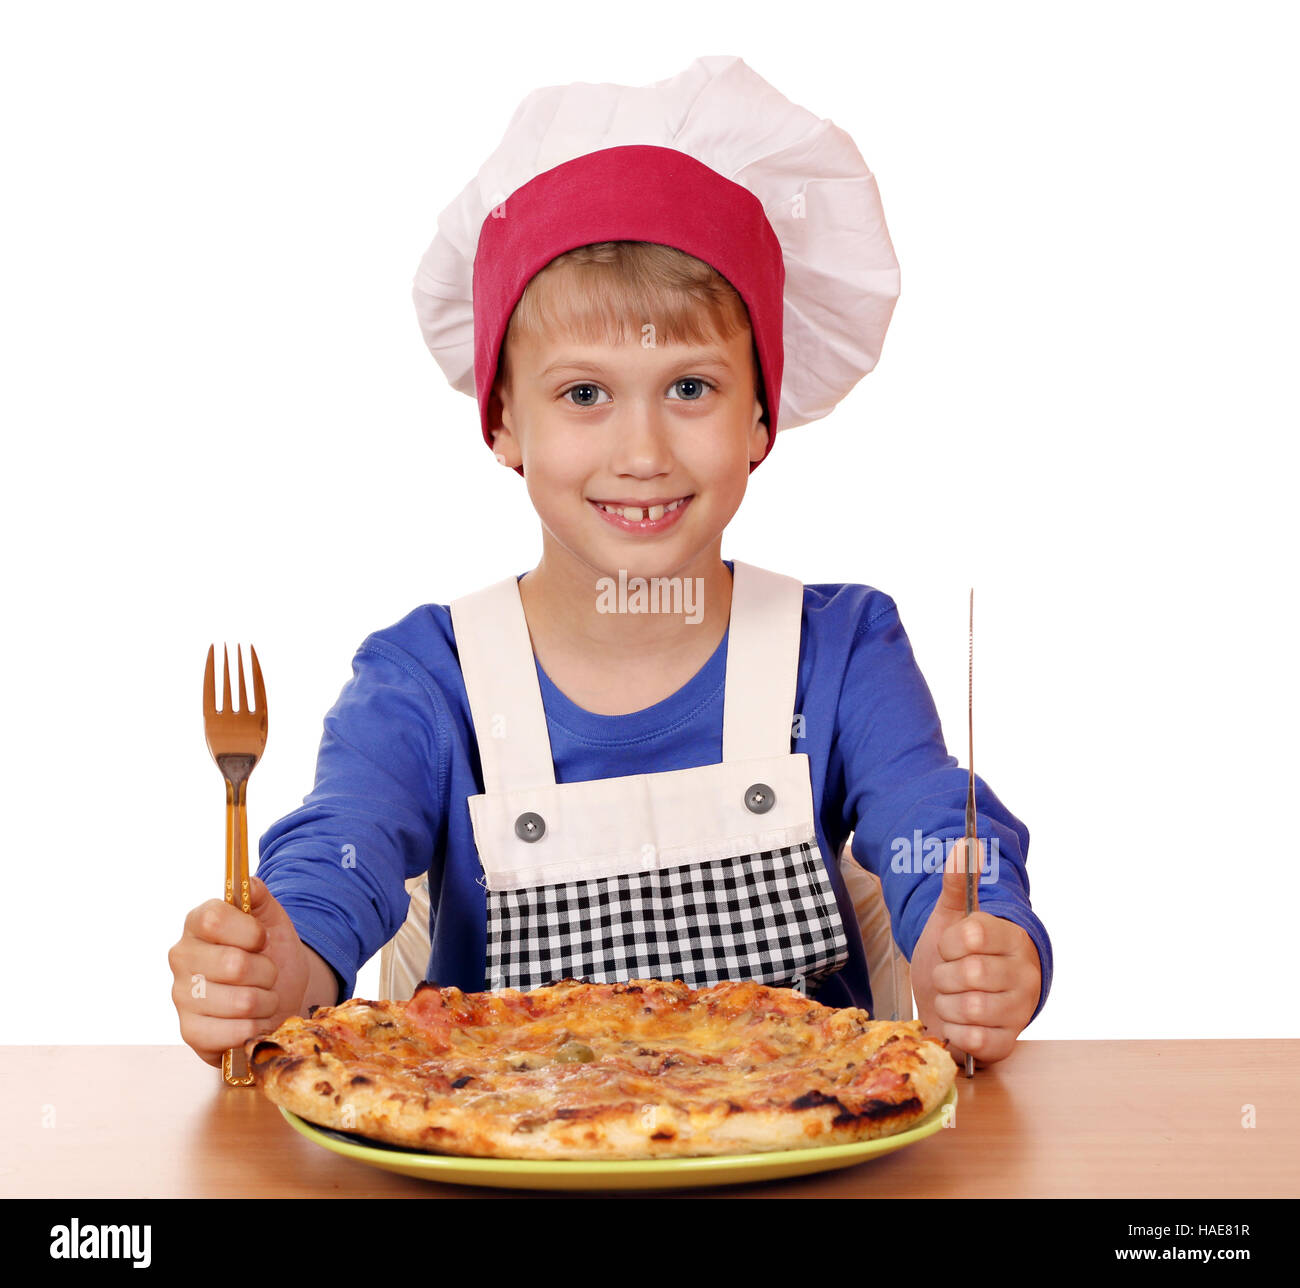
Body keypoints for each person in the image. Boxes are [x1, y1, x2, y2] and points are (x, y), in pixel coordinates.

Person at [169, 55, 1051, 1075]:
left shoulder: (844, 649)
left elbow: (933, 824)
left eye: (690, 387)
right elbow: (344, 849)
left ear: (761, 413)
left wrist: (978, 942)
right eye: (584, 394)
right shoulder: (427, 678)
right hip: (494, 1153)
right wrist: (281, 960)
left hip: (812, 1140)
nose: (642, 450)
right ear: (503, 419)